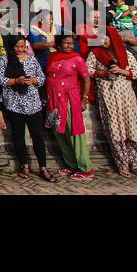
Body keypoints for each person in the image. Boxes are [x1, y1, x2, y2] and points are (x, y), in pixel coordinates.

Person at [87, 24, 137, 177]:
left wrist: (122, 71)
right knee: (115, 130)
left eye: (105, 37)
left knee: (132, 128)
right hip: (108, 95)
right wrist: (103, 73)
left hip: (126, 95)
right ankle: (122, 164)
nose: (102, 41)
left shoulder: (125, 54)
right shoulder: (95, 53)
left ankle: (136, 163)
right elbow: (88, 70)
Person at [0, 35, 55, 182]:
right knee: (18, 135)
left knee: (37, 136)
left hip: (33, 103)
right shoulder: (4, 60)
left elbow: (41, 77)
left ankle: (43, 167)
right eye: (17, 46)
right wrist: (16, 80)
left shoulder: (31, 59)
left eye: (23, 46)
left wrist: (34, 80)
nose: (20, 49)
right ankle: (24, 164)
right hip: (14, 103)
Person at [45, 32, 94, 179]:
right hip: (53, 101)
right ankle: (71, 165)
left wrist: (84, 98)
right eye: (66, 43)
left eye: (72, 43)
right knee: (60, 133)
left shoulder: (77, 59)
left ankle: (85, 168)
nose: (69, 46)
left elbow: (86, 79)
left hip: (69, 100)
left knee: (75, 133)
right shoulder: (52, 58)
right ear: (59, 44)